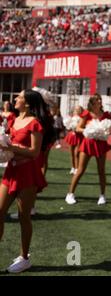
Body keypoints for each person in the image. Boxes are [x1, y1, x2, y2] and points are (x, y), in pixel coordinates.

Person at [0, 89, 55, 273]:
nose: (16, 98)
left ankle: (24, 258)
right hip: (11, 171)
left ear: (28, 103)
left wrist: (10, 147)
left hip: (27, 173)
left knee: (24, 217)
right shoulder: (14, 119)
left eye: (20, 97)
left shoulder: (35, 123)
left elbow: (34, 152)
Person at [65, 94, 111, 206]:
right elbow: (78, 128)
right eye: (97, 99)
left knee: (101, 170)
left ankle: (102, 195)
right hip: (88, 143)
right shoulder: (86, 113)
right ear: (92, 102)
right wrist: (90, 130)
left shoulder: (105, 115)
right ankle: (70, 194)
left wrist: (104, 132)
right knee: (80, 170)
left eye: (100, 99)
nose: (100, 101)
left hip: (101, 144)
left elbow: (109, 129)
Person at [64, 105, 84, 175]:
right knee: (72, 153)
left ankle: (77, 168)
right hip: (72, 135)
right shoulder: (71, 118)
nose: (77, 110)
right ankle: (72, 167)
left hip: (79, 136)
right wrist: (69, 126)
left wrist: (77, 127)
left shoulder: (82, 118)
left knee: (77, 153)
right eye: (76, 109)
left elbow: (82, 127)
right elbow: (68, 127)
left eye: (79, 109)